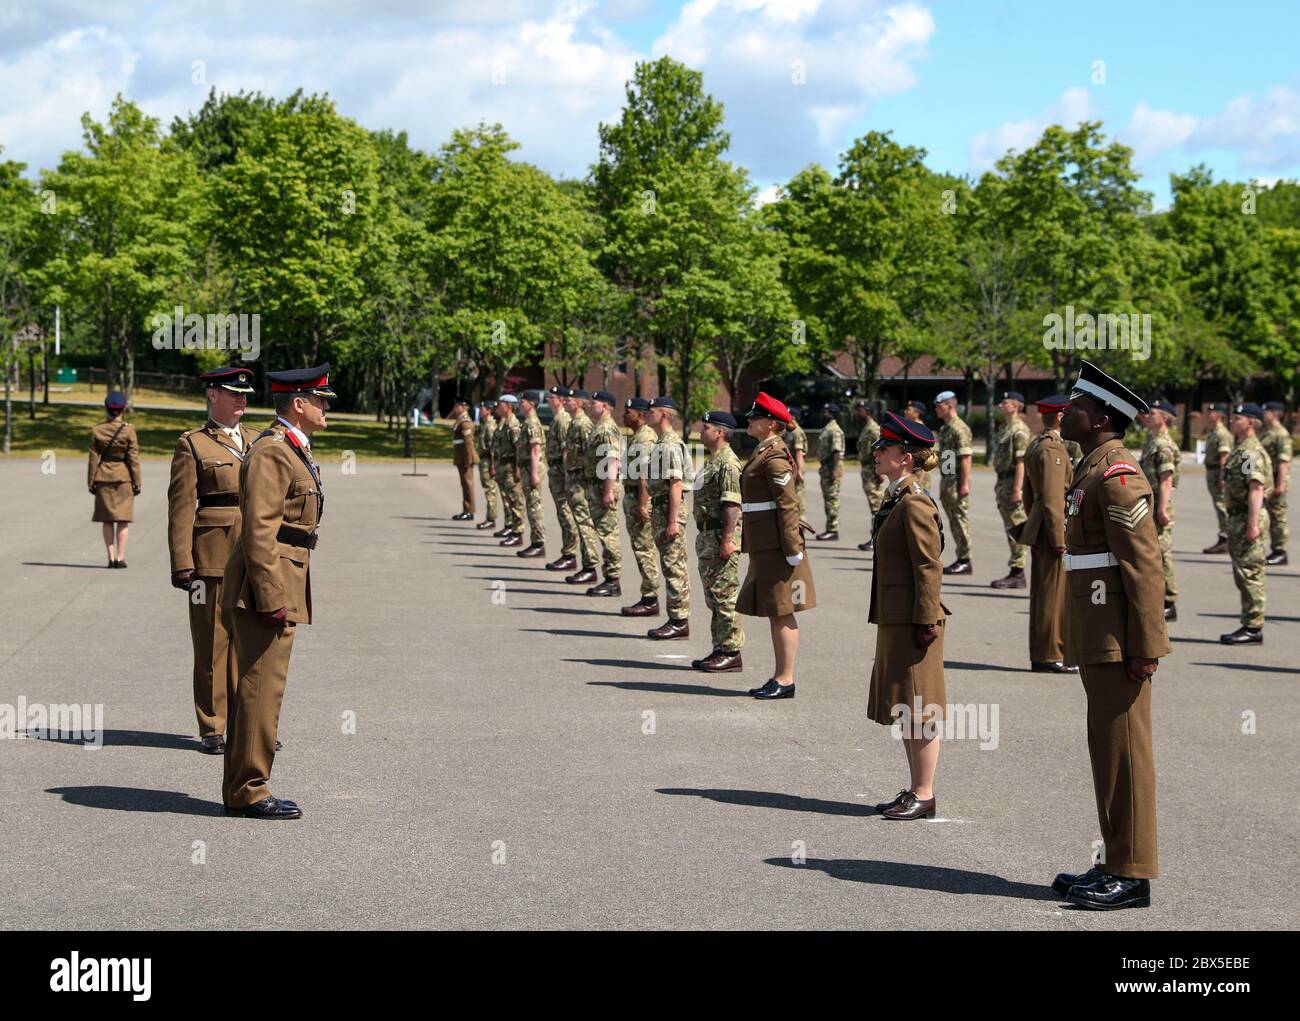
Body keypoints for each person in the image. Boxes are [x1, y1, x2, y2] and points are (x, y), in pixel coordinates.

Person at [1052, 360, 1169, 909]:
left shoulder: (1117, 474)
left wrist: (1146, 646)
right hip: (1098, 632)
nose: (1064, 412)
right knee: (1108, 749)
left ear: (1099, 417)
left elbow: (1144, 566)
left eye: (1074, 406)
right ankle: (1116, 858)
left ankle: (1133, 873)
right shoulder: (1090, 467)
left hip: (1120, 639)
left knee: (1124, 751)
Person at [221, 365, 335, 819]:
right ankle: (248, 789)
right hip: (266, 585)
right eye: (320, 400)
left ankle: (247, 783)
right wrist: (270, 596)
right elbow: (259, 530)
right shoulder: (273, 451)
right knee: (259, 687)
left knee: (265, 687)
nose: (327, 408)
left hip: (284, 578)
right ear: (299, 404)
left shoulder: (291, 448)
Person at [167, 366, 260, 755]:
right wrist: (181, 562)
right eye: (232, 393)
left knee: (249, 644)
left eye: (244, 394)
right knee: (211, 644)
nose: (241, 400)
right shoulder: (192, 445)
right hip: (211, 557)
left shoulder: (259, 441)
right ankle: (213, 726)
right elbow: (181, 508)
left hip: (255, 555)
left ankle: (248, 722)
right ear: (212, 396)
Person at [865, 411, 949, 820]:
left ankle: (925, 792)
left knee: (921, 707)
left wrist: (925, 619)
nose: (877, 452)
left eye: (885, 447)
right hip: (897, 616)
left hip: (914, 620)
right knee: (905, 707)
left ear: (906, 457)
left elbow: (928, 566)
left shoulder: (914, 503)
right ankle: (917, 788)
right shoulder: (898, 495)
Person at [737, 392, 816, 698]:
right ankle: (780, 676)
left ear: (770, 424)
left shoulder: (775, 456)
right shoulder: (764, 452)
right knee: (775, 610)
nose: (750, 420)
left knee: (782, 610)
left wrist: (793, 548)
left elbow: (787, 505)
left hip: (777, 546)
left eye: (756, 417)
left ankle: (785, 679)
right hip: (765, 543)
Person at [1020, 395, 1074, 673]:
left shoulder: (1037, 444)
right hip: (1051, 531)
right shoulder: (1051, 450)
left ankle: (1045, 653)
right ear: (1062, 417)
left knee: (1044, 595)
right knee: (1052, 597)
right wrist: (1058, 537)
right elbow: (1054, 498)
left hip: (1040, 526)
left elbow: (1030, 496)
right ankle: (1051, 654)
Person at [690, 411, 745, 672]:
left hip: (720, 537)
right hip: (708, 537)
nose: (701, 431)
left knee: (725, 596)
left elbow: (732, 504)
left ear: (720, 432)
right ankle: (719, 647)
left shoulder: (728, 463)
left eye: (706, 427)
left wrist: (728, 540)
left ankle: (731, 651)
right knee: (714, 596)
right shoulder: (714, 460)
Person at [1220, 404, 1272, 644]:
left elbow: (1256, 488)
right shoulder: (1240, 449)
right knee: (1242, 572)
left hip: (1247, 516)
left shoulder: (1251, 453)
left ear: (1251, 422)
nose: (1232, 421)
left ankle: (1253, 626)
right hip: (1237, 517)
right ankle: (1249, 623)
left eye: (1238, 418)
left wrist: (1252, 524)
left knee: (1250, 572)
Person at [645, 396, 691, 638]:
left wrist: (673, 521)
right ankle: (675, 617)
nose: (646, 413)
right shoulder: (661, 442)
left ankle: (679, 620)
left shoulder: (670, 444)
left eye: (651, 410)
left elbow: (676, 484)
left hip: (668, 510)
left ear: (664, 414)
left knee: (674, 566)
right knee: (669, 564)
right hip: (661, 508)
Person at [88, 390, 141, 568]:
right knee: (123, 520)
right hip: (123, 478)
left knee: (107, 520)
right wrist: (137, 481)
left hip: (103, 477)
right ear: (123, 409)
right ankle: (120, 557)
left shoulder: (97, 430)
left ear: (106, 408)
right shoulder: (129, 430)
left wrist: (91, 481)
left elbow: (93, 458)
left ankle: (110, 558)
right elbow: (133, 458)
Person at [1139, 399, 1180, 622]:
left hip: (1158, 505)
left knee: (1162, 554)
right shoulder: (1152, 440)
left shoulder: (1163, 444)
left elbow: (1166, 480)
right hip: (1150, 503)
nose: (1148, 416)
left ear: (1164, 418)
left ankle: (1169, 602)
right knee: (1152, 554)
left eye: (1152, 413)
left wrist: (1162, 509)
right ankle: (1157, 597)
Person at [620, 397, 662, 616]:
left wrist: (643, 504)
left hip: (639, 499)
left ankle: (650, 598)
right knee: (640, 548)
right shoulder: (637, 436)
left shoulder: (645, 437)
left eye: (628, 411)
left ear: (639, 414)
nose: (624, 414)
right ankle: (648, 594)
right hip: (632, 497)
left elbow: (646, 474)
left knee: (644, 549)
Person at [583, 390, 623, 595]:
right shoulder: (599, 427)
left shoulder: (607, 428)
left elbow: (612, 461)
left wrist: (608, 491)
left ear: (605, 406)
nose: (590, 406)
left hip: (603, 487)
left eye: (594, 403)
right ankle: (609, 577)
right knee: (603, 531)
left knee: (608, 534)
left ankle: (613, 579)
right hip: (596, 486)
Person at [990, 391, 1031, 588]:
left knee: (1016, 526)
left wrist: (1018, 489)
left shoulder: (1019, 430)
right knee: (1010, 527)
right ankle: (1016, 569)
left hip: (1011, 481)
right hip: (1003, 482)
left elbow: (1022, 462)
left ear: (1016, 406)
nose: (1000, 405)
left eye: (1004, 402)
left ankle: (1018, 571)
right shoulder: (1006, 428)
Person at [933, 391, 973, 574]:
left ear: (949, 405)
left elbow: (965, 458)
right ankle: (961, 556)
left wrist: (964, 484)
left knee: (959, 519)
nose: (936, 409)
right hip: (947, 479)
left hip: (956, 480)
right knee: (953, 520)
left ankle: (965, 559)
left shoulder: (959, 428)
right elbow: (946, 457)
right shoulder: (945, 429)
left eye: (938, 405)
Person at [563, 390, 598, 585]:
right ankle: (586, 564)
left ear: (578, 403)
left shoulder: (584, 424)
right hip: (574, 479)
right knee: (579, 521)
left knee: (585, 523)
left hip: (581, 482)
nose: (565, 402)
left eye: (569, 399)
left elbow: (590, 456)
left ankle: (590, 567)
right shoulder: (574, 423)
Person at [545, 386, 577, 570]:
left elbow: (566, 451)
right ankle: (567, 551)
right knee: (561, 512)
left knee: (566, 513)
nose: (549, 400)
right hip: (556, 470)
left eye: (552, 397)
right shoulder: (558, 419)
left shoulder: (563, 420)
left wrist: (566, 476)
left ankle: (570, 554)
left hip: (561, 470)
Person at [514, 393, 547, 558]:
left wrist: (534, 474)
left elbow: (536, 450)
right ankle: (535, 541)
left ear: (532, 404)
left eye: (523, 401)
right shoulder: (527, 423)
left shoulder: (533, 424)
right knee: (531, 505)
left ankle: (538, 543)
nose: (520, 403)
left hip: (532, 468)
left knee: (535, 506)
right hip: (527, 468)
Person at [1261, 401, 1291, 566]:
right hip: (1267, 479)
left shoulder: (1281, 434)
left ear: (1275, 413)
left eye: (1266, 412)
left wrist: (1280, 484)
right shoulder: (1266, 433)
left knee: (1277, 516)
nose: (1264, 415)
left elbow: (1283, 461)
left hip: (1275, 478)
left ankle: (1280, 551)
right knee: (1268, 515)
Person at [492, 395, 524, 546]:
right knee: (509, 500)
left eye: (501, 404)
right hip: (504, 466)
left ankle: (518, 533)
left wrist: (518, 470)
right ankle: (512, 529)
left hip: (511, 467)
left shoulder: (513, 424)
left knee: (516, 500)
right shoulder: (505, 423)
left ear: (509, 406)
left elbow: (518, 449)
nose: (498, 406)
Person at [854, 402, 886, 551]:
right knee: (874, 506)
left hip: (872, 471)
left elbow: (879, 451)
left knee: (877, 507)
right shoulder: (867, 427)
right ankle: (876, 538)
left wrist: (878, 472)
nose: (857, 413)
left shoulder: (873, 429)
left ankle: (878, 539)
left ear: (867, 411)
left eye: (860, 410)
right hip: (867, 470)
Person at [1201, 403, 1232, 554]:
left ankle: (1227, 538)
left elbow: (1224, 456)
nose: (1208, 415)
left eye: (1212, 412)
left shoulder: (1222, 433)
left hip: (1217, 472)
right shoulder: (1213, 432)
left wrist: (1222, 476)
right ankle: (1224, 536)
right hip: (1211, 472)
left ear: (1220, 415)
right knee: (1219, 505)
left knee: (1222, 506)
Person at [815, 403, 844, 541]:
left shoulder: (834, 430)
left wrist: (834, 470)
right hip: (826, 468)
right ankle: (830, 528)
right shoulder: (827, 428)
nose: (822, 414)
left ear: (832, 413)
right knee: (828, 499)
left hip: (831, 468)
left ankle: (833, 530)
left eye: (825, 411)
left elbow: (836, 452)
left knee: (832, 499)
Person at [449, 397, 477, 521]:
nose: (455, 408)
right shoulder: (460, 420)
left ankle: (469, 511)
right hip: (461, 457)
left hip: (465, 458)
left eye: (457, 406)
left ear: (464, 407)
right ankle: (466, 509)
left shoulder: (465, 422)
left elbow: (468, 443)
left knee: (467, 484)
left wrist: (468, 459)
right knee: (464, 484)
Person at [475, 400, 499, 532]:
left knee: (490, 490)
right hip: (483, 460)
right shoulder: (484, 424)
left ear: (489, 410)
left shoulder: (490, 426)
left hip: (488, 461)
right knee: (487, 489)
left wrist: (493, 465)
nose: (481, 410)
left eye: (483, 408)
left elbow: (492, 449)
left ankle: (491, 519)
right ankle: (490, 517)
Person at [784, 406, 809, 519]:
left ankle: (801, 521)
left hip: (796, 467)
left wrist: (799, 472)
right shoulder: (789, 430)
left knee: (798, 495)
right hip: (791, 467)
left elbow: (799, 453)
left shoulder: (796, 432)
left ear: (793, 417)